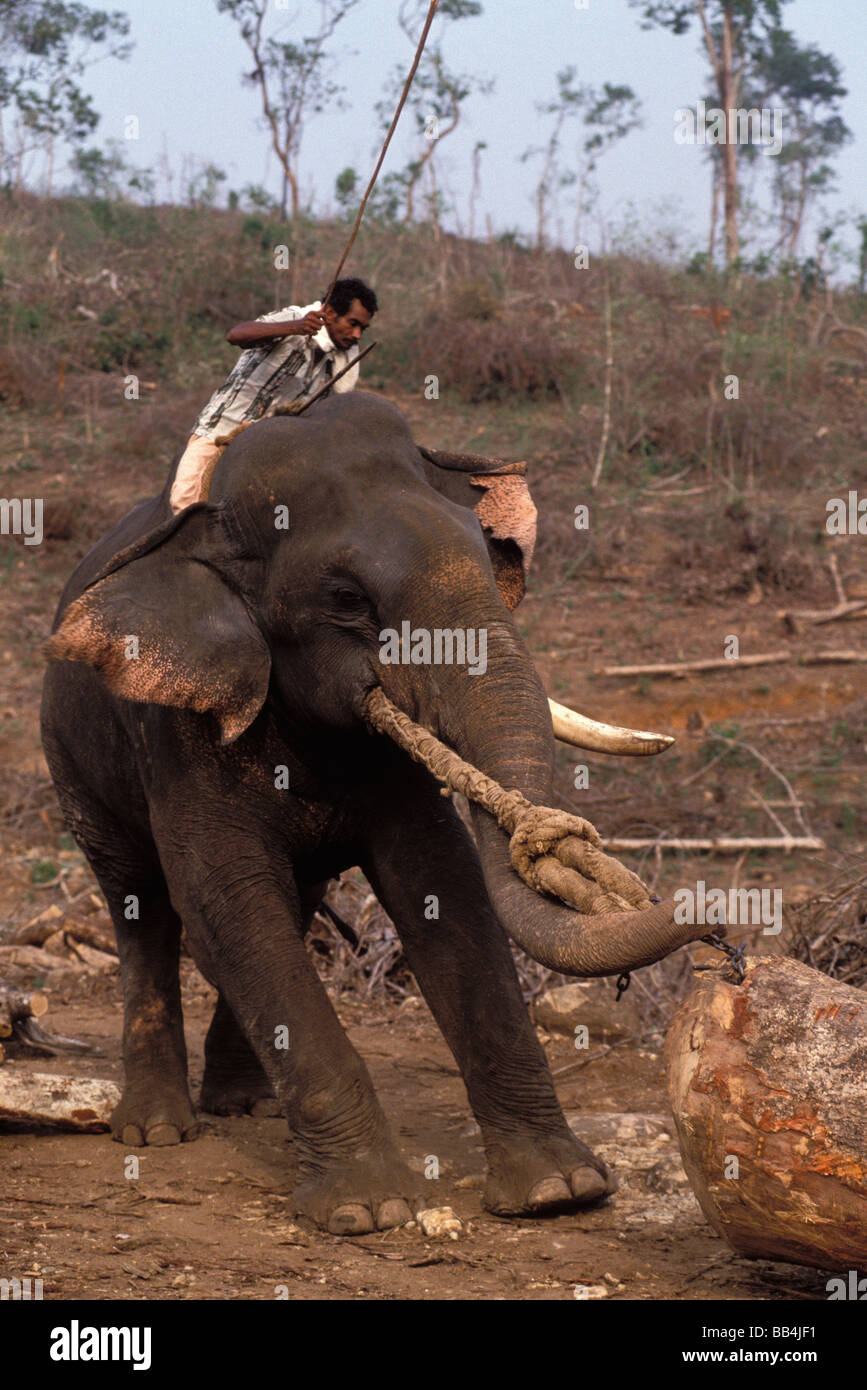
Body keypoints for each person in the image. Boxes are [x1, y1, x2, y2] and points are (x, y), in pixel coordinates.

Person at [169, 277, 378, 513]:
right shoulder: (293, 318)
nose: (358, 335)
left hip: (275, 448)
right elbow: (237, 335)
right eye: (353, 324)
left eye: (363, 328)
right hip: (221, 429)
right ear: (329, 313)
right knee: (185, 501)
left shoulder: (342, 363)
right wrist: (295, 327)